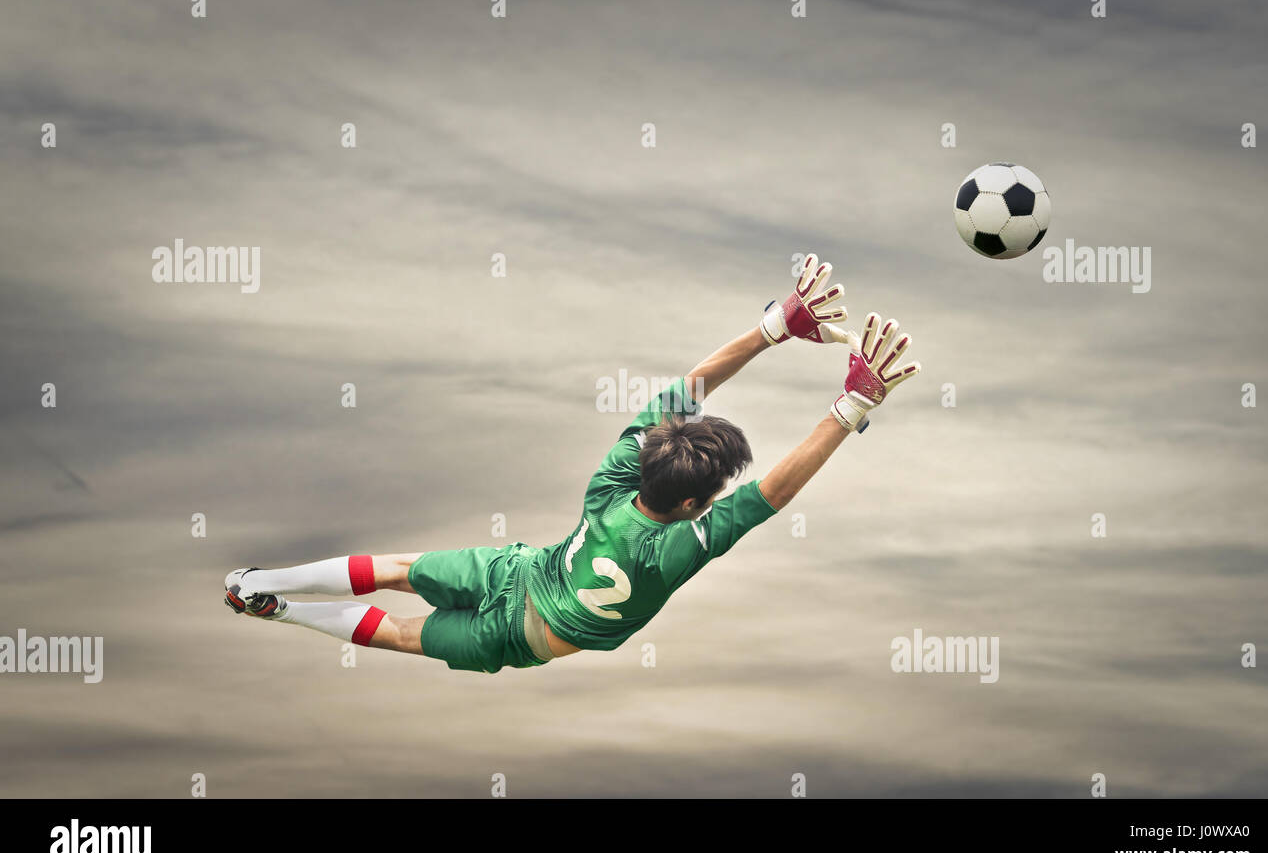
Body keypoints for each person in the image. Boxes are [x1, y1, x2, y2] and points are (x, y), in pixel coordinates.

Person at [223, 254, 920, 673]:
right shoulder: (681, 546)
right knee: (405, 634)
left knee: (401, 569)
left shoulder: (617, 473)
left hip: (523, 567)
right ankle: (279, 609)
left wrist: (773, 328)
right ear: (691, 504)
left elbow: (691, 387)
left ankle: (258, 581)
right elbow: (774, 492)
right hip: (519, 633)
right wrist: (852, 404)